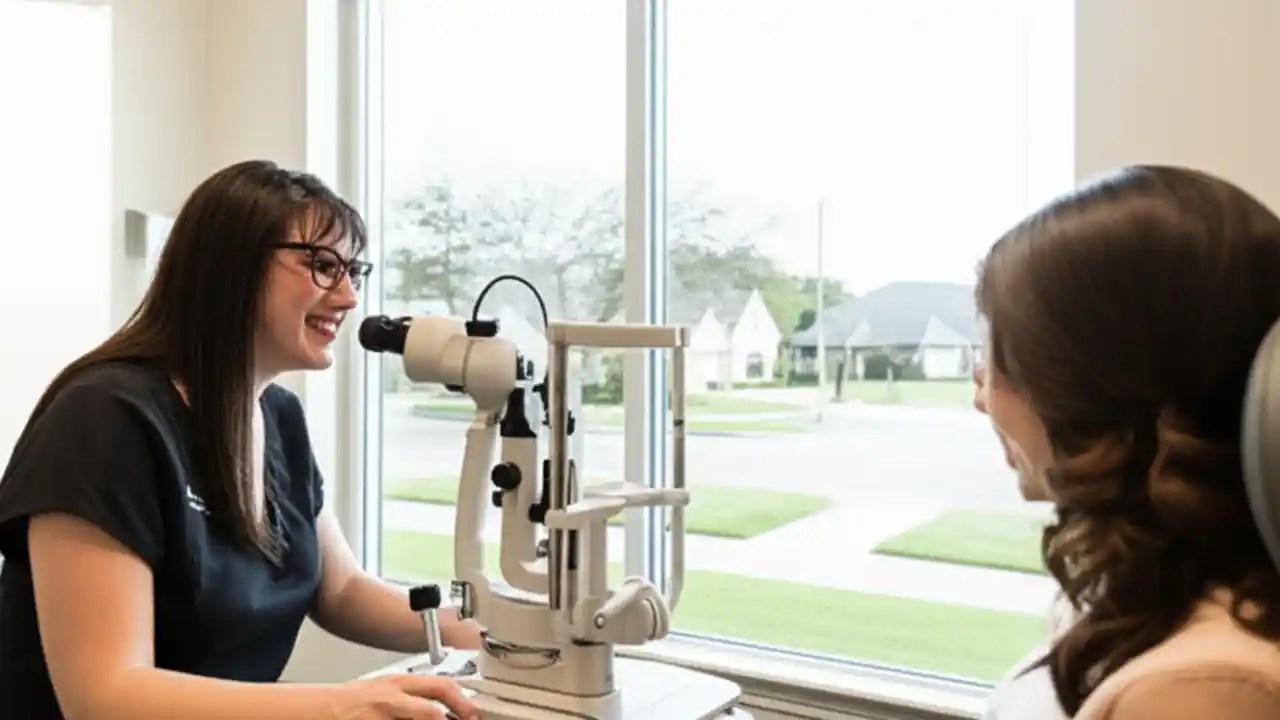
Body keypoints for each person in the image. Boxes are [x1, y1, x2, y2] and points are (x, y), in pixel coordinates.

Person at [0, 160, 481, 720]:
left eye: (354, 270)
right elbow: (104, 694)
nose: (349, 297)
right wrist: (341, 704)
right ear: (231, 265)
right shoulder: (105, 419)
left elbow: (341, 589)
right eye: (323, 266)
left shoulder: (279, 417)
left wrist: (502, 632)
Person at [971, 164, 1280, 719]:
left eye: (996, 361)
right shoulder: (1140, 600)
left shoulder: (1202, 691)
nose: (982, 399)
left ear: (1081, 392)